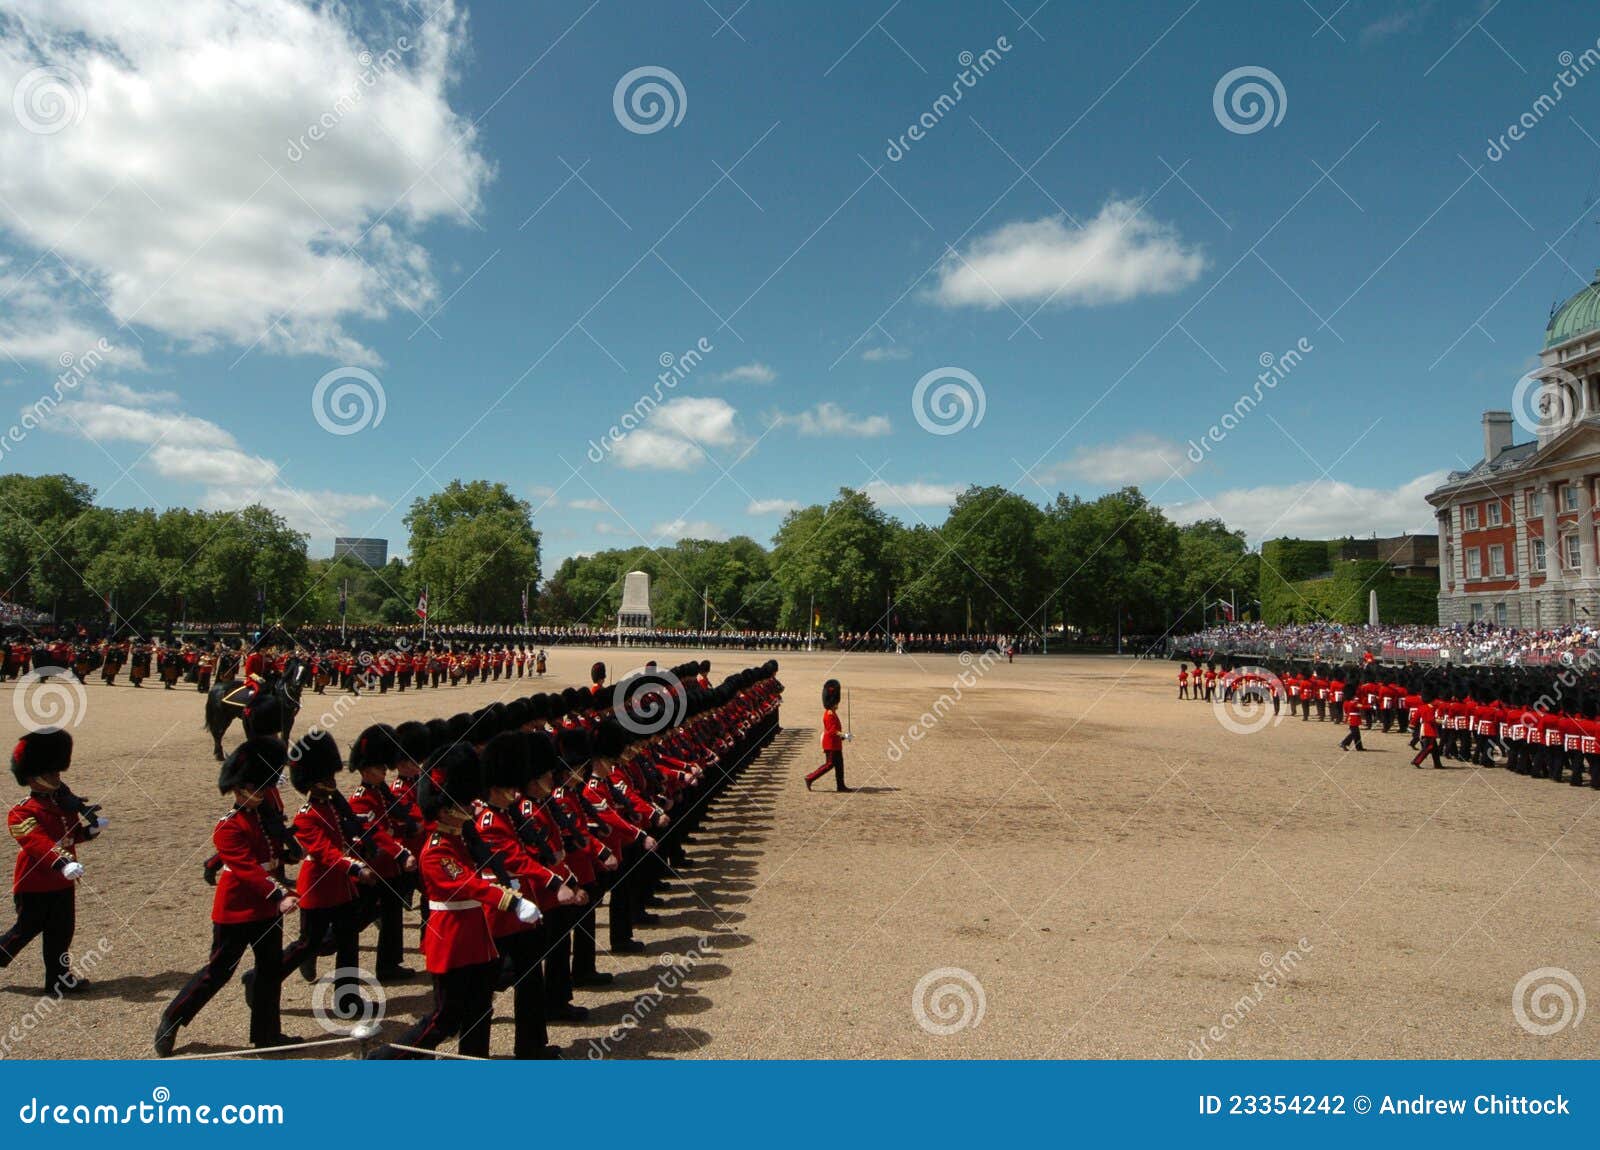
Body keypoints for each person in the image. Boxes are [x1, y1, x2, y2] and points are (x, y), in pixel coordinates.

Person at [366, 744, 540, 1060]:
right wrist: (512, 901)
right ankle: (388, 1060)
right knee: (445, 1018)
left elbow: (485, 869)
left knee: (479, 1011)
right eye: (461, 802)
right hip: (452, 941)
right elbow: (467, 882)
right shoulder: (435, 849)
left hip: (476, 937)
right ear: (445, 809)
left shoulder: (460, 839)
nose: (469, 807)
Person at [155, 738, 302, 1056]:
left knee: (269, 971)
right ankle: (173, 1017)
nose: (261, 793)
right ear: (238, 789)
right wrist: (280, 893)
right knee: (217, 973)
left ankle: (267, 1035)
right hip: (238, 910)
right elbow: (248, 869)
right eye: (254, 787)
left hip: (267, 910)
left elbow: (272, 855)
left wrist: (289, 854)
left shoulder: (265, 820)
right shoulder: (228, 827)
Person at [0, 730, 100, 993]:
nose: (57, 776)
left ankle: (58, 979)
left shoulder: (59, 805)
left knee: (61, 933)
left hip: (61, 883)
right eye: (51, 773)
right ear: (34, 777)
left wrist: (88, 832)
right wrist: (62, 863)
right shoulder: (22, 812)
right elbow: (38, 844)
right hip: (35, 883)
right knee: (24, 931)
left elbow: (68, 834)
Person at [805, 678, 852, 792]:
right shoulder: (829, 714)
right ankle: (810, 778)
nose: (837, 704)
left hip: (835, 744)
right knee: (829, 765)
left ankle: (841, 786)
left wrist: (843, 736)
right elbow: (832, 731)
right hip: (830, 744)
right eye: (836, 702)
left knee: (839, 766)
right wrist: (845, 735)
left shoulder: (832, 712)